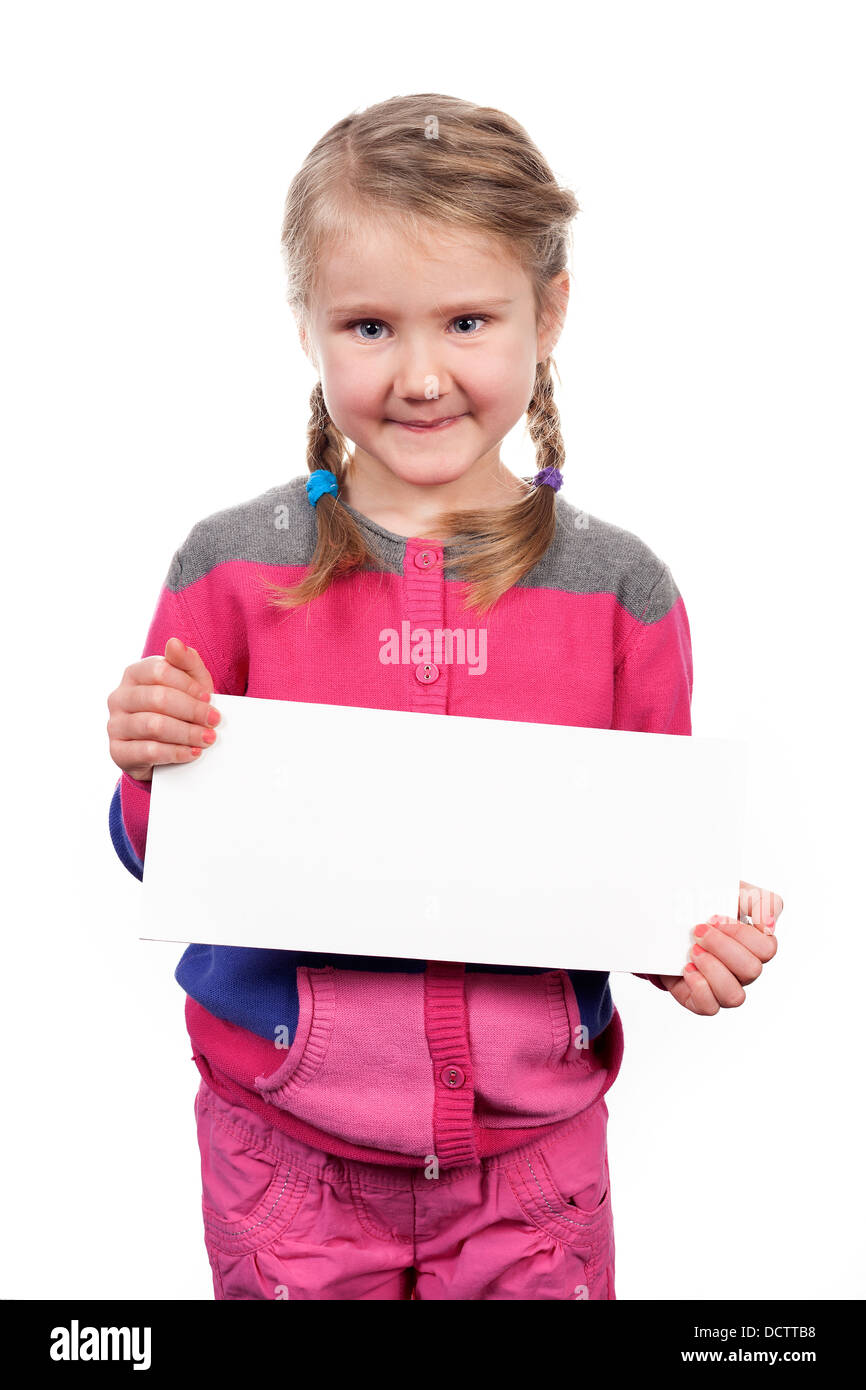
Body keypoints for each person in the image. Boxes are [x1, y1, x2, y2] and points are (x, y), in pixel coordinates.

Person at [106, 93, 782, 1300]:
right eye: (368, 325)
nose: (419, 376)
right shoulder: (228, 566)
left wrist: (692, 940)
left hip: (532, 1171)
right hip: (283, 1153)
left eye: (467, 319)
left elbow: (639, 876)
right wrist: (151, 765)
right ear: (308, 327)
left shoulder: (621, 590)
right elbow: (156, 849)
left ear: (550, 311)